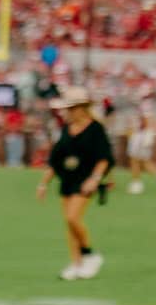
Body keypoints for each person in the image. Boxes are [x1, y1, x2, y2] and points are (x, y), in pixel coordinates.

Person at [37, 88, 112, 281]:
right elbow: (55, 160)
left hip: (85, 180)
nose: (68, 112)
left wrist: (95, 178)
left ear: (82, 108)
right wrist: (43, 183)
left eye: (71, 108)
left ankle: (89, 254)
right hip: (67, 180)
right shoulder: (66, 129)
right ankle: (76, 263)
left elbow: (104, 158)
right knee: (69, 225)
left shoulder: (95, 129)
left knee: (73, 218)